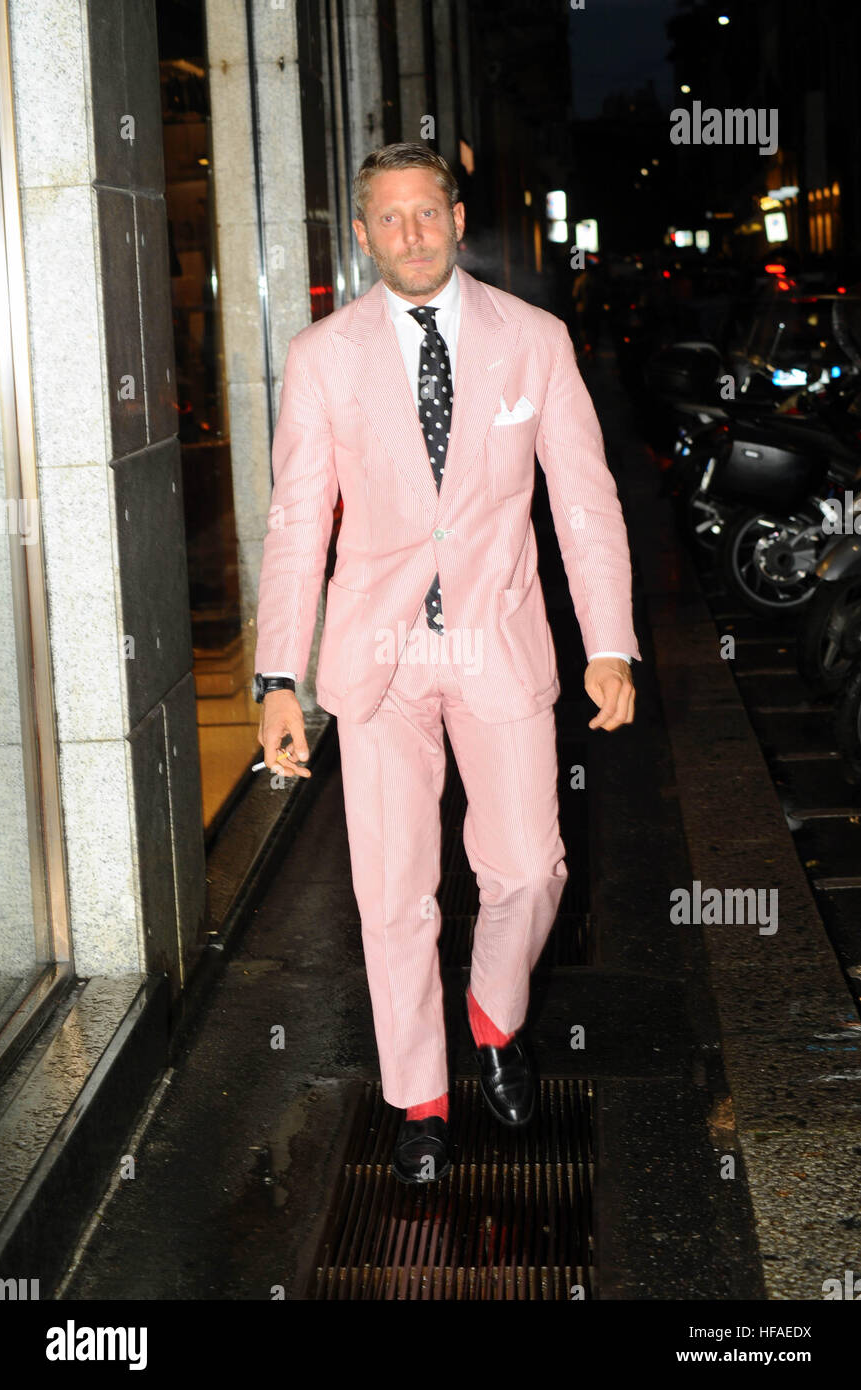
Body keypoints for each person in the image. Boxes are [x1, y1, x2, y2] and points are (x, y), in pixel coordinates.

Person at [253, 142, 639, 1184]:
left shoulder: (535, 342)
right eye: (391, 217)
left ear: (457, 217)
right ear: (364, 232)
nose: (412, 233)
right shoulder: (322, 356)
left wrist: (609, 642)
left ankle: (493, 1010)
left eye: (428, 212)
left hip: (498, 642)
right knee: (393, 893)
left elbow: (583, 501)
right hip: (375, 656)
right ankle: (419, 1097)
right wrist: (276, 675)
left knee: (529, 867)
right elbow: (297, 522)